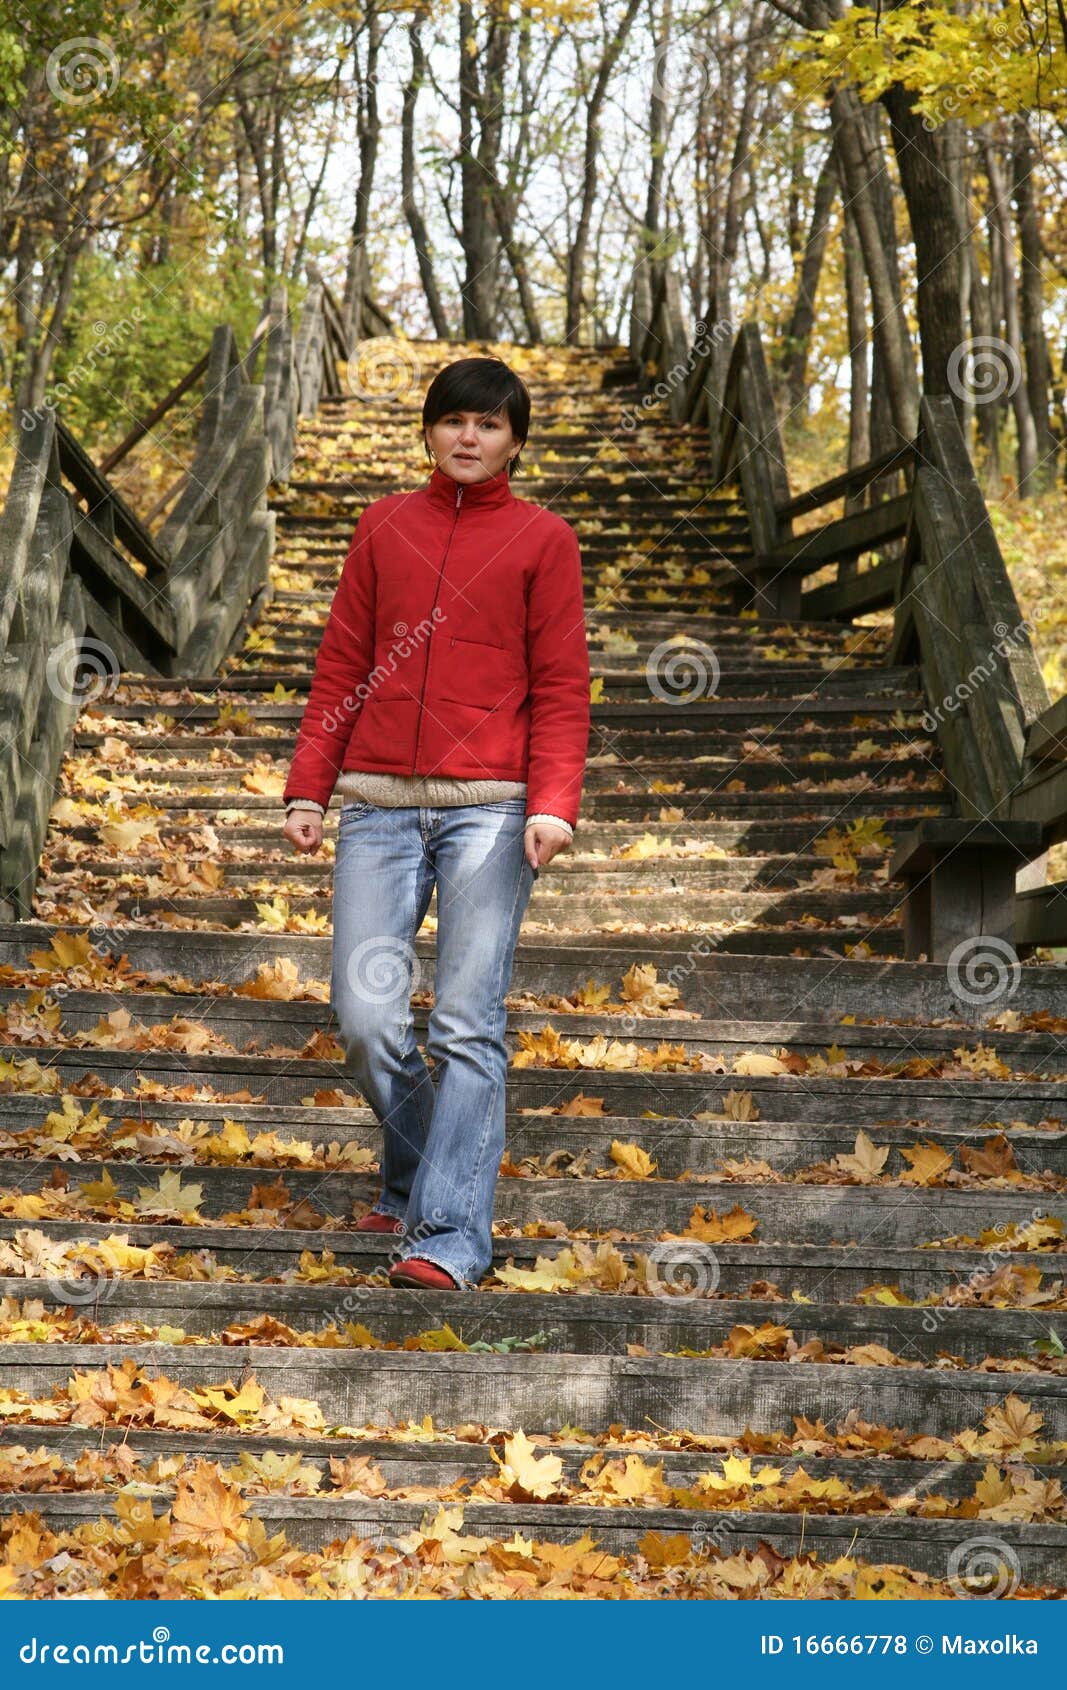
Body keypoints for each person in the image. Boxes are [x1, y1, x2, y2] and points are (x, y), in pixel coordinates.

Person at [281, 356, 591, 1291]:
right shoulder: (382, 526)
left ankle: (449, 1235)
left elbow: (563, 687)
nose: (469, 437)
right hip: (374, 807)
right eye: (454, 420)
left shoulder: (545, 540)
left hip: (489, 816)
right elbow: (342, 661)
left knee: (464, 1019)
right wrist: (309, 784)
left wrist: (552, 803)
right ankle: (416, 1169)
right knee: (366, 1014)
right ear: (427, 431)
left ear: (515, 442)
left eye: (490, 425)